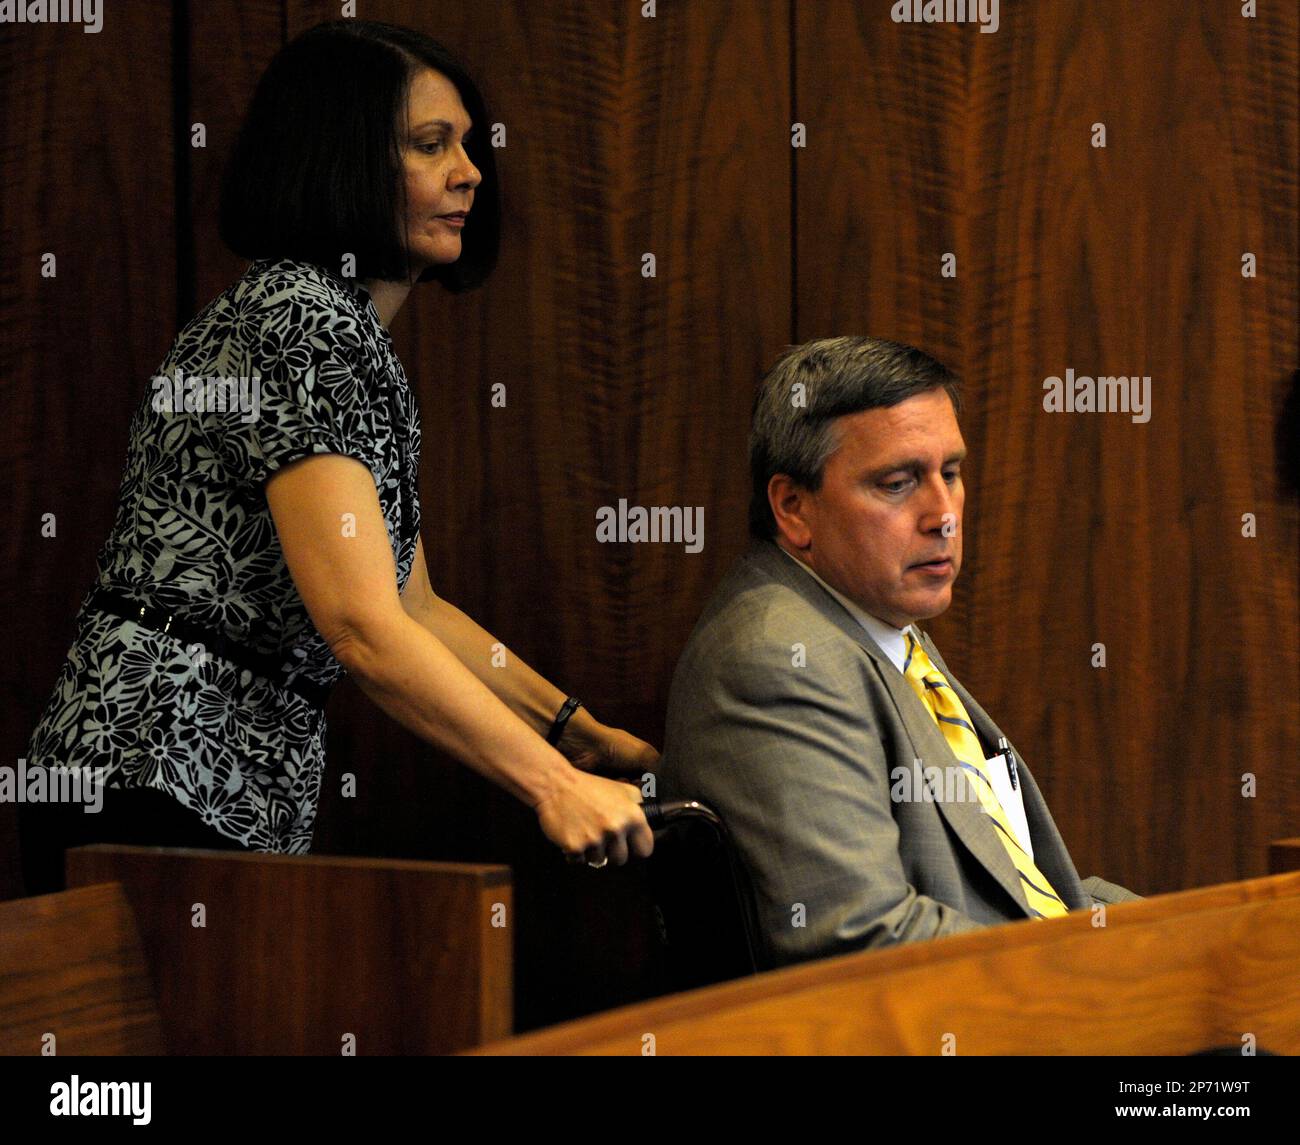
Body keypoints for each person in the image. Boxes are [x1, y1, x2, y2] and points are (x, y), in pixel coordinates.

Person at [20, 19, 655, 897]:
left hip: (203, 782)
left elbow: (415, 607)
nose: (470, 173)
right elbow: (362, 627)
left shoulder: (343, 331)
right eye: (432, 145)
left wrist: (576, 731)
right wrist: (553, 784)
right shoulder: (298, 319)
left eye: (466, 145)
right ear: (343, 162)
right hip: (153, 767)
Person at [661, 336, 1140, 971]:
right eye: (897, 483)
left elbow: (1035, 896)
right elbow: (862, 936)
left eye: (951, 473)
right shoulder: (778, 659)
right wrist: (1106, 974)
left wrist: (1196, 937)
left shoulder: (869, 617)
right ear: (793, 507)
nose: (943, 515)